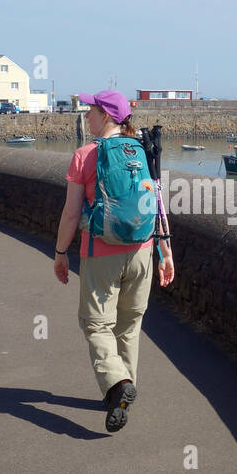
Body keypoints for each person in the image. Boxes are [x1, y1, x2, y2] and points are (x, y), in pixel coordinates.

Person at [53, 90, 174, 433]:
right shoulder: (144, 148)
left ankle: (118, 383)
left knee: (96, 324)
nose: (87, 115)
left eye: (91, 110)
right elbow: (157, 204)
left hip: (101, 252)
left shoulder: (85, 155)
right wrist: (166, 253)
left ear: (106, 116)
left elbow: (71, 212)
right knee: (129, 326)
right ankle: (120, 394)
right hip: (143, 250)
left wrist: (61, 254)